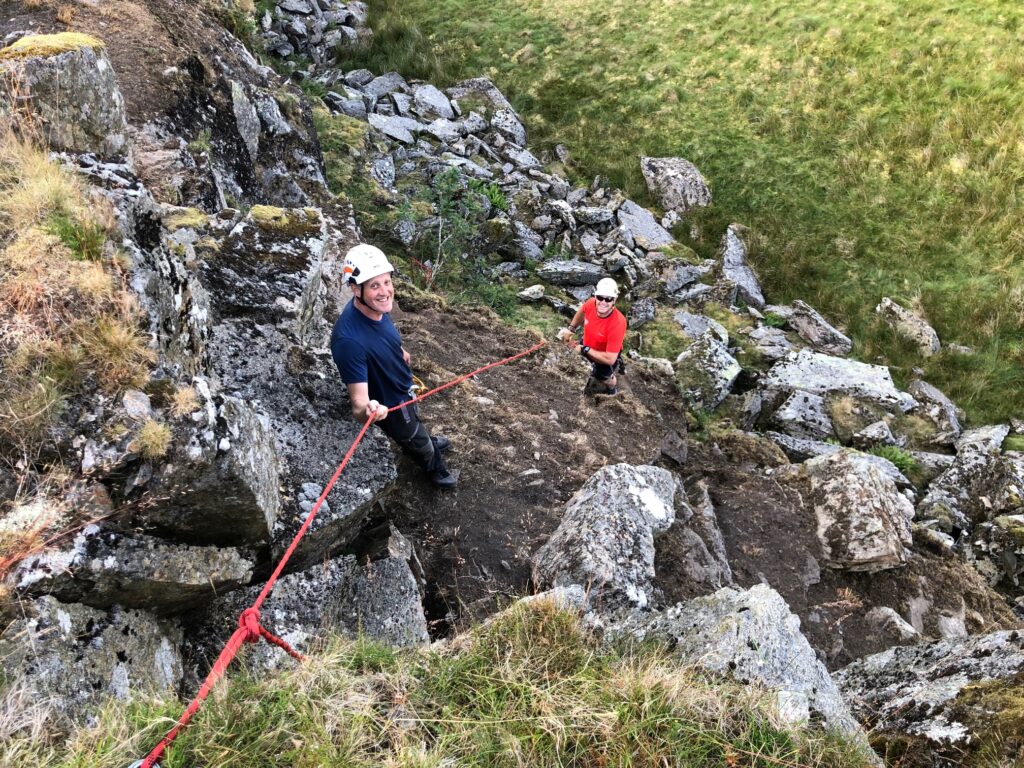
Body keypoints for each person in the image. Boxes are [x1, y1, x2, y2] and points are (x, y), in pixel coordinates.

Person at [330, 243, 457, 489]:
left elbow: (382, 335)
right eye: (375, 285)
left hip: (401, 386)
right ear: (356, 289)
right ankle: (436, 470)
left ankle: (426, 440)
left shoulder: (376, 308)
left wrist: (399, 351)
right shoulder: (348, 341)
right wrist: (370, 410)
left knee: (417, 425)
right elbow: (358, 404)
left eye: (387, 282)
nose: (385, 291)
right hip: (393, 405)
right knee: (414, 438)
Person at [557, 277, 627, 395]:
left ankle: (612, 389)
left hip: (604, 356)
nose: (603, 302)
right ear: (596, 297)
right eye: (600, 297)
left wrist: (584, 349)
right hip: (587, 343)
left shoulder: (618, 323)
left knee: (605, 377)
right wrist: (571, 328)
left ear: (614, 300)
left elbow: (610, 359)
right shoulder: (591, 303)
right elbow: (581, 311)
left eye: (608, 299)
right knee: (578, 361)